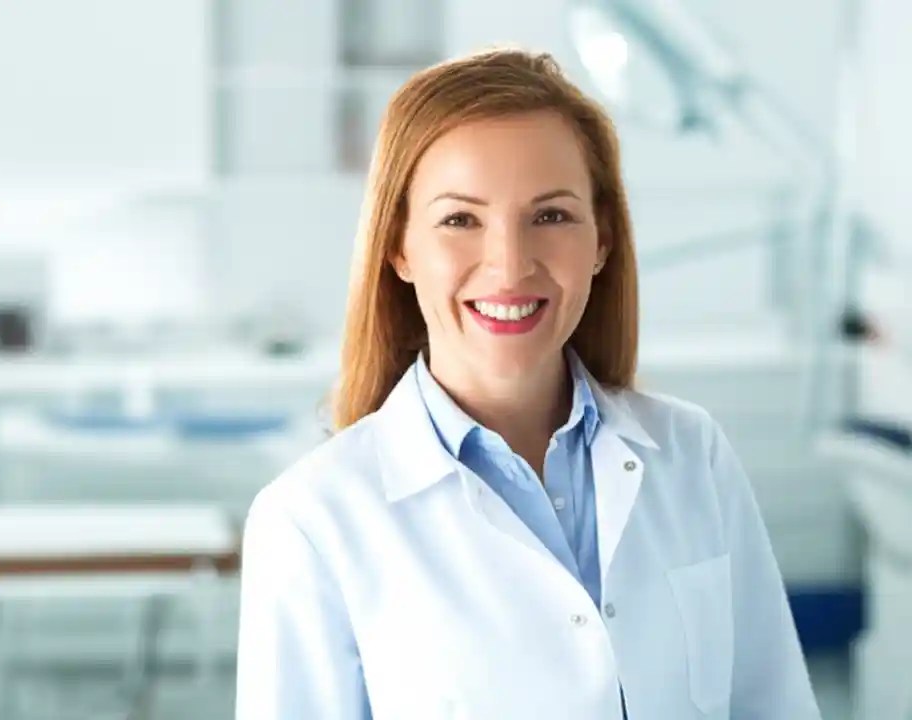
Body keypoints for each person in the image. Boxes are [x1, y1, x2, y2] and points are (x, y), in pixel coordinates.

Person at [234, 48, 820, 719]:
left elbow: (773, 705)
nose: (510, 266)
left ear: (602, 238)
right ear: (400, 246)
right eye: (460, 219)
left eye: (550, 216)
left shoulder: (693, 455)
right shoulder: (313, 519)